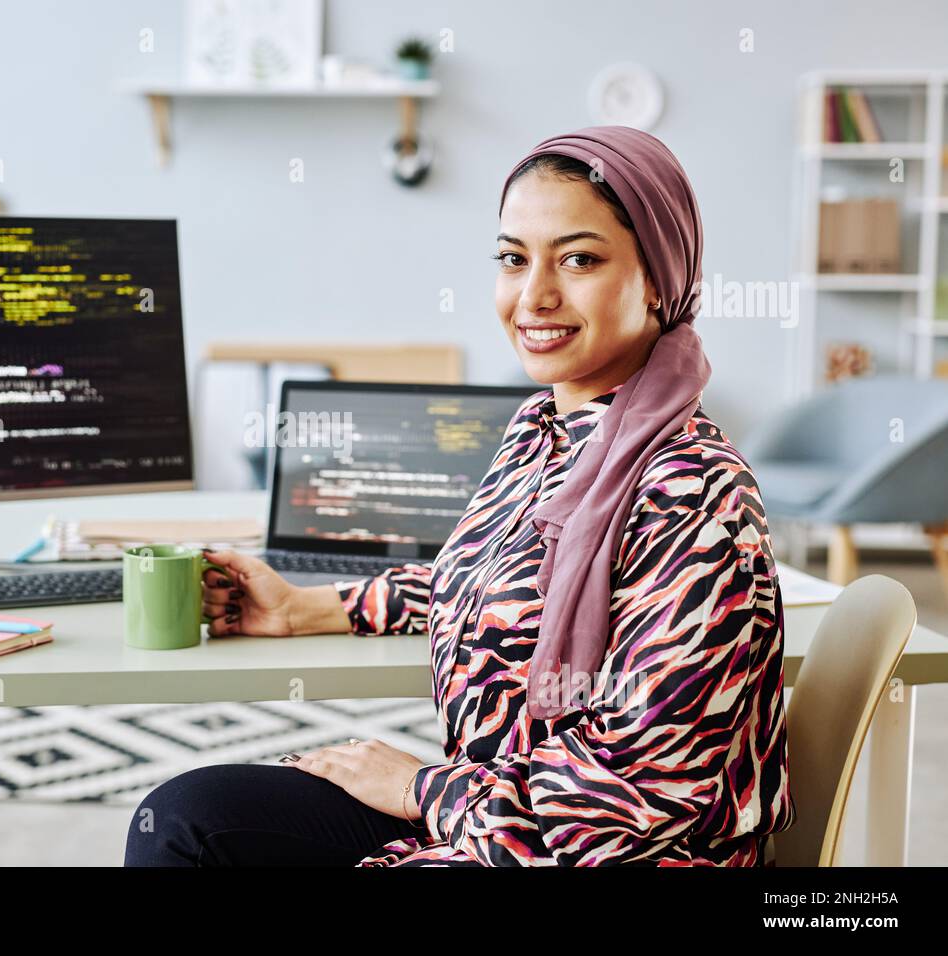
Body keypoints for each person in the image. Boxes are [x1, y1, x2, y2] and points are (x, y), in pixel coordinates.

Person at [124, 125, 795, 867]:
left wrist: (422, 790)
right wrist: (304, 608)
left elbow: (650, 790)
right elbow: (490, 582)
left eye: (578, 259)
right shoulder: (542, 429)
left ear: (661, 279)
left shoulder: (693, 493)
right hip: (496, 814)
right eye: (513, 259)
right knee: (185, 819)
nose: (534, 295)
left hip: (599, 850)